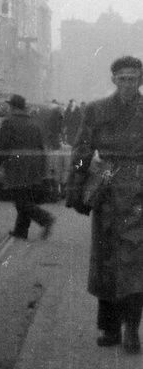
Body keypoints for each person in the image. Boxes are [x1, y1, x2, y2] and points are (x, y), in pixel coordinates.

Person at [66, 56, 143, 353]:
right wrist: (76, 189)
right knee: (106, 260)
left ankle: (132, 331)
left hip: (138, 192)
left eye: (133, 78)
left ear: (140, 80)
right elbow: (83, 150)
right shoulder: (96, 110)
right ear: (113, 80)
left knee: (136, 263)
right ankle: (109, 328)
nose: (128, 83)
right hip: (108, 191)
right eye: (122, 78)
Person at [0, 93, 54, 241]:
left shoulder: (9, 122)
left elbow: (2, 145)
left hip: (17, 166)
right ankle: (21, 230)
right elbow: (41, 148)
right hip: (34, 167)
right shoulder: (33, 123)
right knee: (24, 197)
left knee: (21, 200)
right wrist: (43, 170)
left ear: (13, 107)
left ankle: (45, 219)